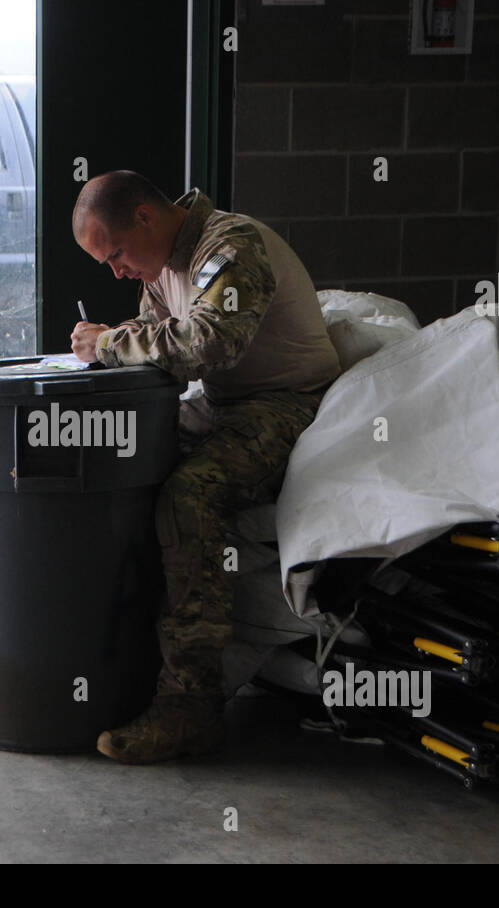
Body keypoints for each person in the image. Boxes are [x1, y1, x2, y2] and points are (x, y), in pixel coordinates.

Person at [70, 170, 341, 764]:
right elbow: (154, 338)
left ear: (145, 216)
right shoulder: (163, 264)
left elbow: (209, 344)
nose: (116, 271)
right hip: (224, 406)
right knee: (120, 465)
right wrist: (114, 342)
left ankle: (191, 707)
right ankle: (121, 666)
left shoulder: (230, 245)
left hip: (287, 405)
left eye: (115, 254)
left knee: (188, 495)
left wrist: (110, 342)